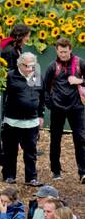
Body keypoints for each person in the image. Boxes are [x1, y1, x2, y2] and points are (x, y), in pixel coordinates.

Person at [43, 37, 85, 184]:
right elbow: (45, 88)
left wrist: (79, 80)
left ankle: (83, 172)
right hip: (57, 109)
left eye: (65, 52)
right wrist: (50, 105)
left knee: (80, 139)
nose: (63, 55)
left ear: (70, 50)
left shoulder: (79, 63)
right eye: (60, 52)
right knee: (55, 139)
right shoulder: (52, 67)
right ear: (56, 51)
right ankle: (56, 171)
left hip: (76, 107)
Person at [2, 51, 43, 185]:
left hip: (31, 122)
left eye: (33, 65)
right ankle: (9, 175)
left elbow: (42, 97)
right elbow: (2, 97)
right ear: (20, 64)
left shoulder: (37, 76)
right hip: (12, 121)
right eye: (27, 65)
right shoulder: (10, 76)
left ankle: (31, 177)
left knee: (31, 152)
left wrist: (41, 115)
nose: (30, 68)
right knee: (10, 151)